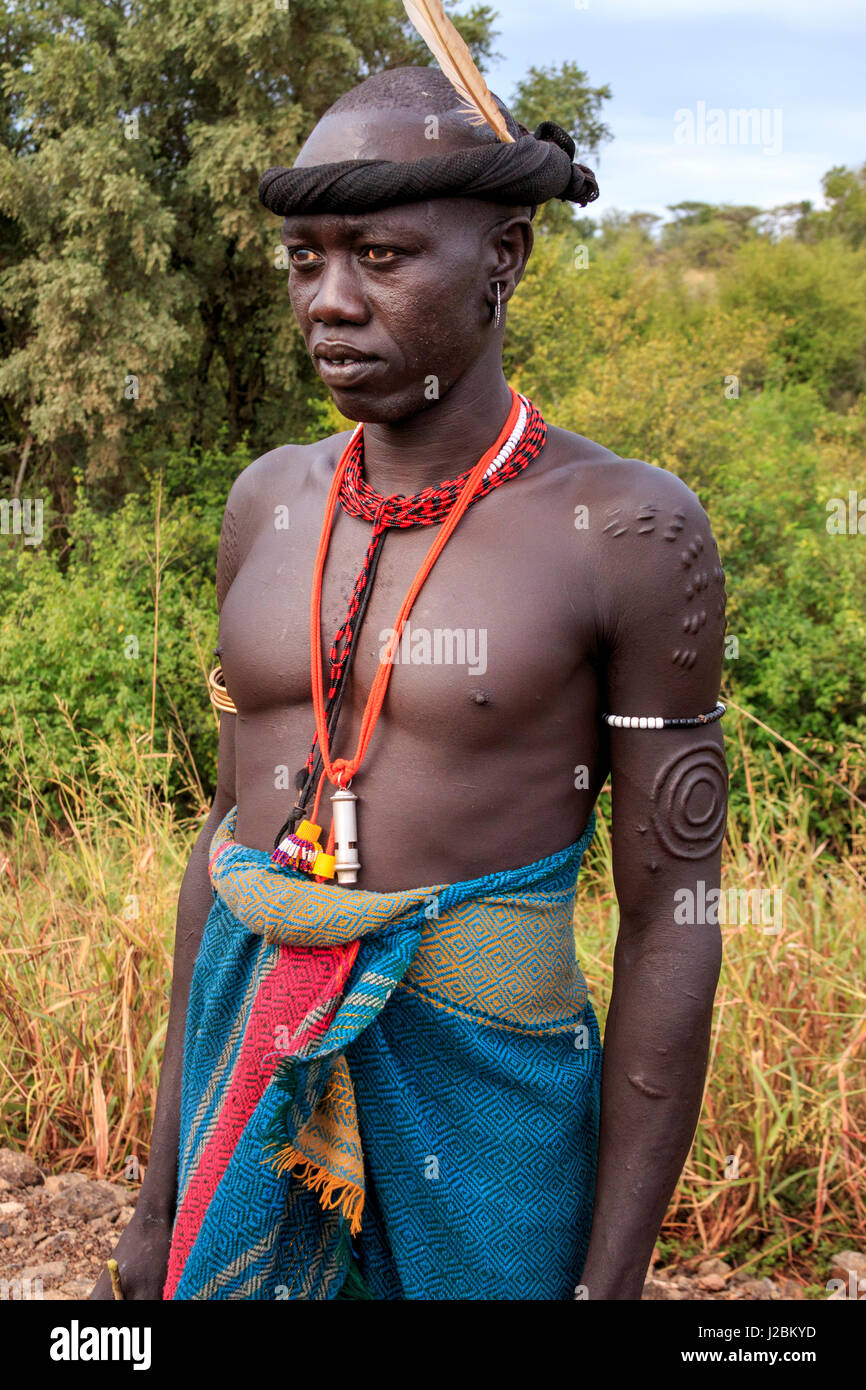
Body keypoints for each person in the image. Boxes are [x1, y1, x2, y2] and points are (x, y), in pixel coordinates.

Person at [91, 64, 727, 1301]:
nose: (328, 303)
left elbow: (674, 917)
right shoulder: (268, 501)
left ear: (505, 257)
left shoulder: (625, 529)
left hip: (489, 1111)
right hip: (248, 1067)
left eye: (380, 257)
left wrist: (609, 1279)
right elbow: (221, 845)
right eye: (303, 259)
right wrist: (162, 1197)